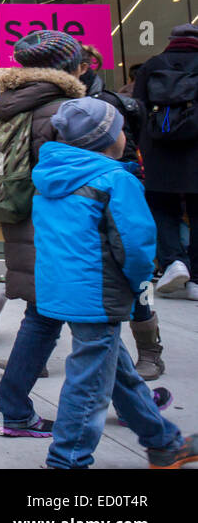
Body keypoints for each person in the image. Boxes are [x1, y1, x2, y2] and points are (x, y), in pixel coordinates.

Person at [32, 98, 196, 469]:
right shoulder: (116, 180)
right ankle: (67, 459)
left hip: (63, 289)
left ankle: (163, 442)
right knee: (89, 382)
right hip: (100, 293)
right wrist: (140, 285)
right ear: (106, 140)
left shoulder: (49, 177)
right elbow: (136, 246)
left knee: (115, 369)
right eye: (121, 128)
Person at [0, 30, 85, 437]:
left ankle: (137, 408)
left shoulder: (12, 106)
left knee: (58, 315)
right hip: (60, 229)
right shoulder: (64, 110)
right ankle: (10, 409)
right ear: (67, 67)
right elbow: (78, 177)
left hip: (23, 221)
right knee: (77, 318)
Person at [77, 44, 163, 379]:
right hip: (88, 194)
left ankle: (151, 350)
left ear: (84, 65)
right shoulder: (65, 102)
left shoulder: (107, 103)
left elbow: (123, 149)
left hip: (113, 189)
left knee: (137, 266)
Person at [134, 24, 198, 301]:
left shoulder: (152, 65)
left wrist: (142, 144)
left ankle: (174, 261)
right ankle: (195, 278)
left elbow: (137, 108)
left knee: (162, 208)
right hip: (196, 150)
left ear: (171, 41)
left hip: (159, 150)